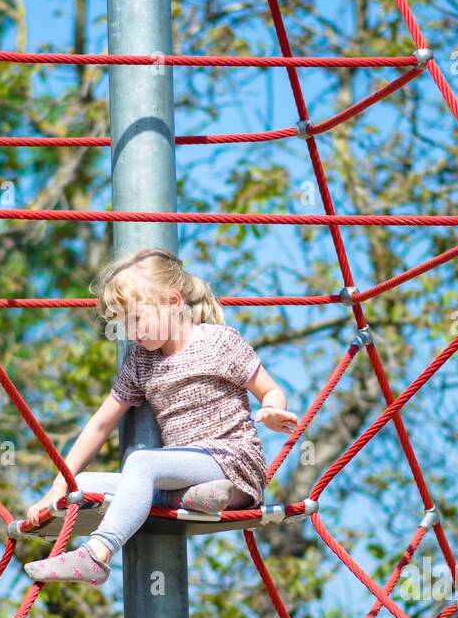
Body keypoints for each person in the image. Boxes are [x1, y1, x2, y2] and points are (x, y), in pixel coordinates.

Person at [22, 248, 297, 584]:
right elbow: (100, 423)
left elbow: (269, 389)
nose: (132, 332)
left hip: (232, 456)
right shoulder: (141, 361)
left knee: (141, 463)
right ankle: (193, 497)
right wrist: (56, 487)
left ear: (172, 301)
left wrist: (271, 410)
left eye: (137, 318)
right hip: (183, 470)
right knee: (83, 486)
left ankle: (97, 554)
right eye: (123, 325)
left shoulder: (218, 342)